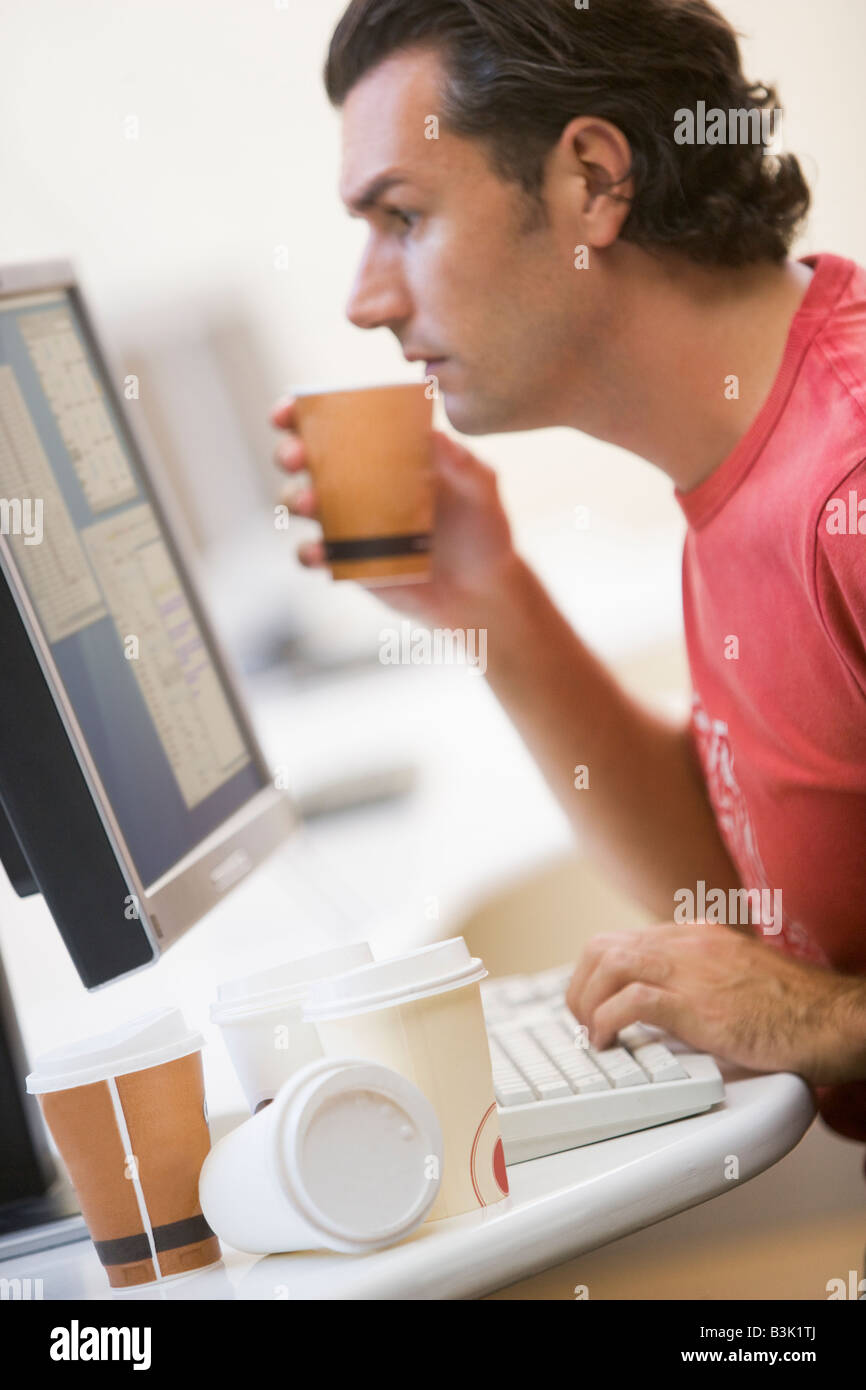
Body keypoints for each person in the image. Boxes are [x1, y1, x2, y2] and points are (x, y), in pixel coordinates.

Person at [272, 0, 866, 1166]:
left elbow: (790, 985)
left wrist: (813, 1018)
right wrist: (490, 603)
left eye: (403, 216)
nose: (365, 297)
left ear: (592, 181)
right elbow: (740, 896)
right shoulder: (747, 461)